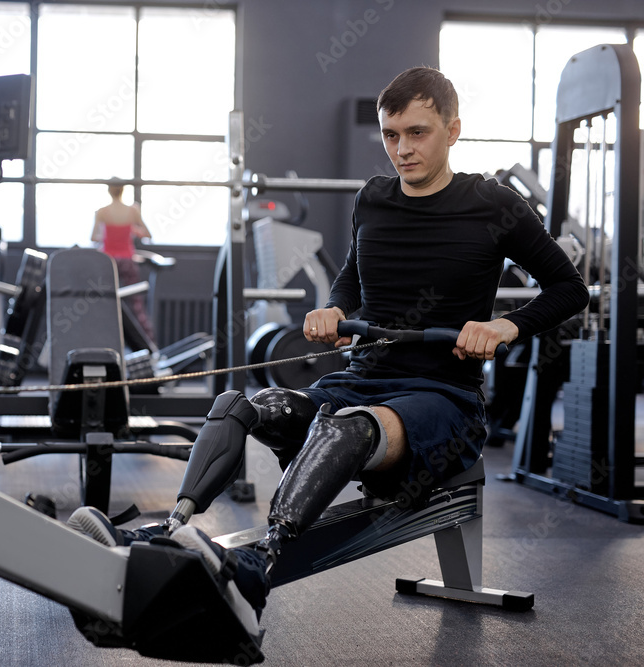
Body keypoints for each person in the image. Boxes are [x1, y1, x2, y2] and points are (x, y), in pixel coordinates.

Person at [69, 67, 589, 624]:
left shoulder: (494, 204)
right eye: (391, 135)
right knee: (241, 405)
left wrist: (505, 326)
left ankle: (255, 572)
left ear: (453, 129)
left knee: (345, 426)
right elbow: (351, 277)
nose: (402, 150)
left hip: (442, 399)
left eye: (417, 133)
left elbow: (569, 289)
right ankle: (162, 532)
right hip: (360, 379)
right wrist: (336, 310)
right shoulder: (374, 198)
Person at [91, 180, 155, 341]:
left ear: (109, 191)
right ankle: (147, 343)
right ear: (122, 190)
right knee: (136, 304)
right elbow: (147, 234)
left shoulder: (102, 212)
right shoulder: (132, 211)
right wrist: (131, 229)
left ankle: (101, 339)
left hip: (108, 262)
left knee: (102, 302)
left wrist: (107, 235)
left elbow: (93, 238)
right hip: (127, 261)